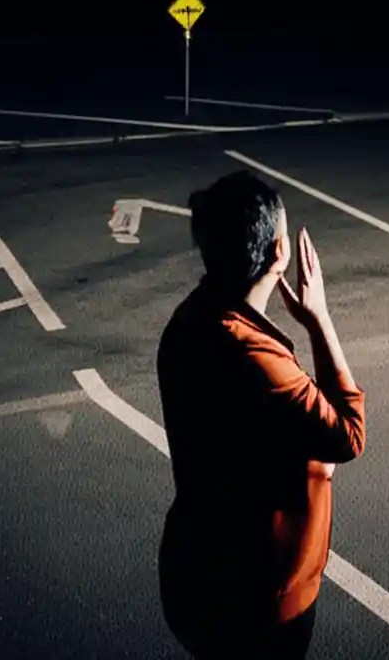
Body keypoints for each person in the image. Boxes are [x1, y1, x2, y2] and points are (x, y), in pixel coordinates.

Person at [156, 170, 367, 658]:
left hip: (195, 572)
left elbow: (249, 441)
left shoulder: (190, 320)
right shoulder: (255, 357)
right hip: (257, 597)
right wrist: (318, 321)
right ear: (278, 253)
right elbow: (349, 435)